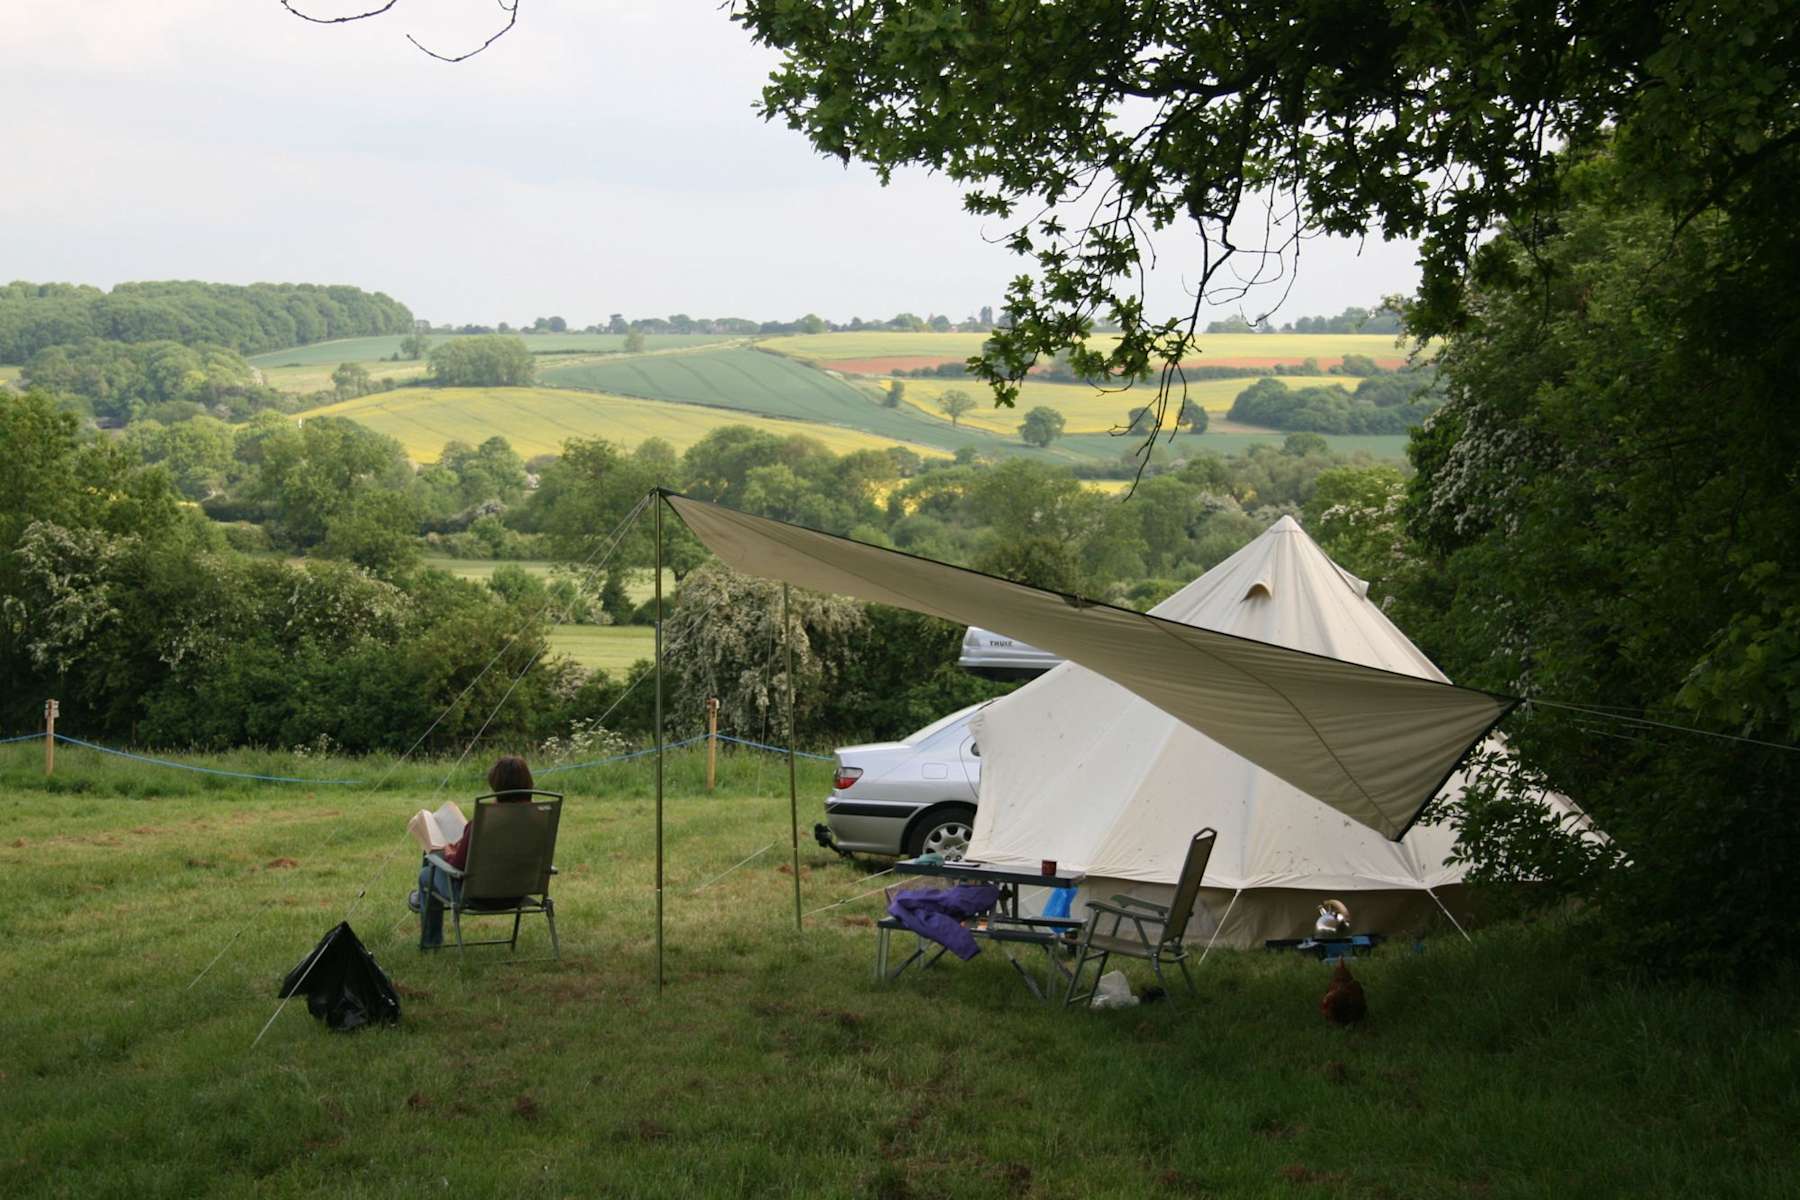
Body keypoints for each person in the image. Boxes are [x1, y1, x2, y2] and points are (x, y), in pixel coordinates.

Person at [413, 756, 536, 949]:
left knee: (427, 870)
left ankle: (431, 940)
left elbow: (458, 866)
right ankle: (422, 900)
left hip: (476, 896)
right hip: (519, 892)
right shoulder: (538, 818)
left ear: (496, 785)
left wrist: (449, 851)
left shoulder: (483, 821)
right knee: (434, 863)